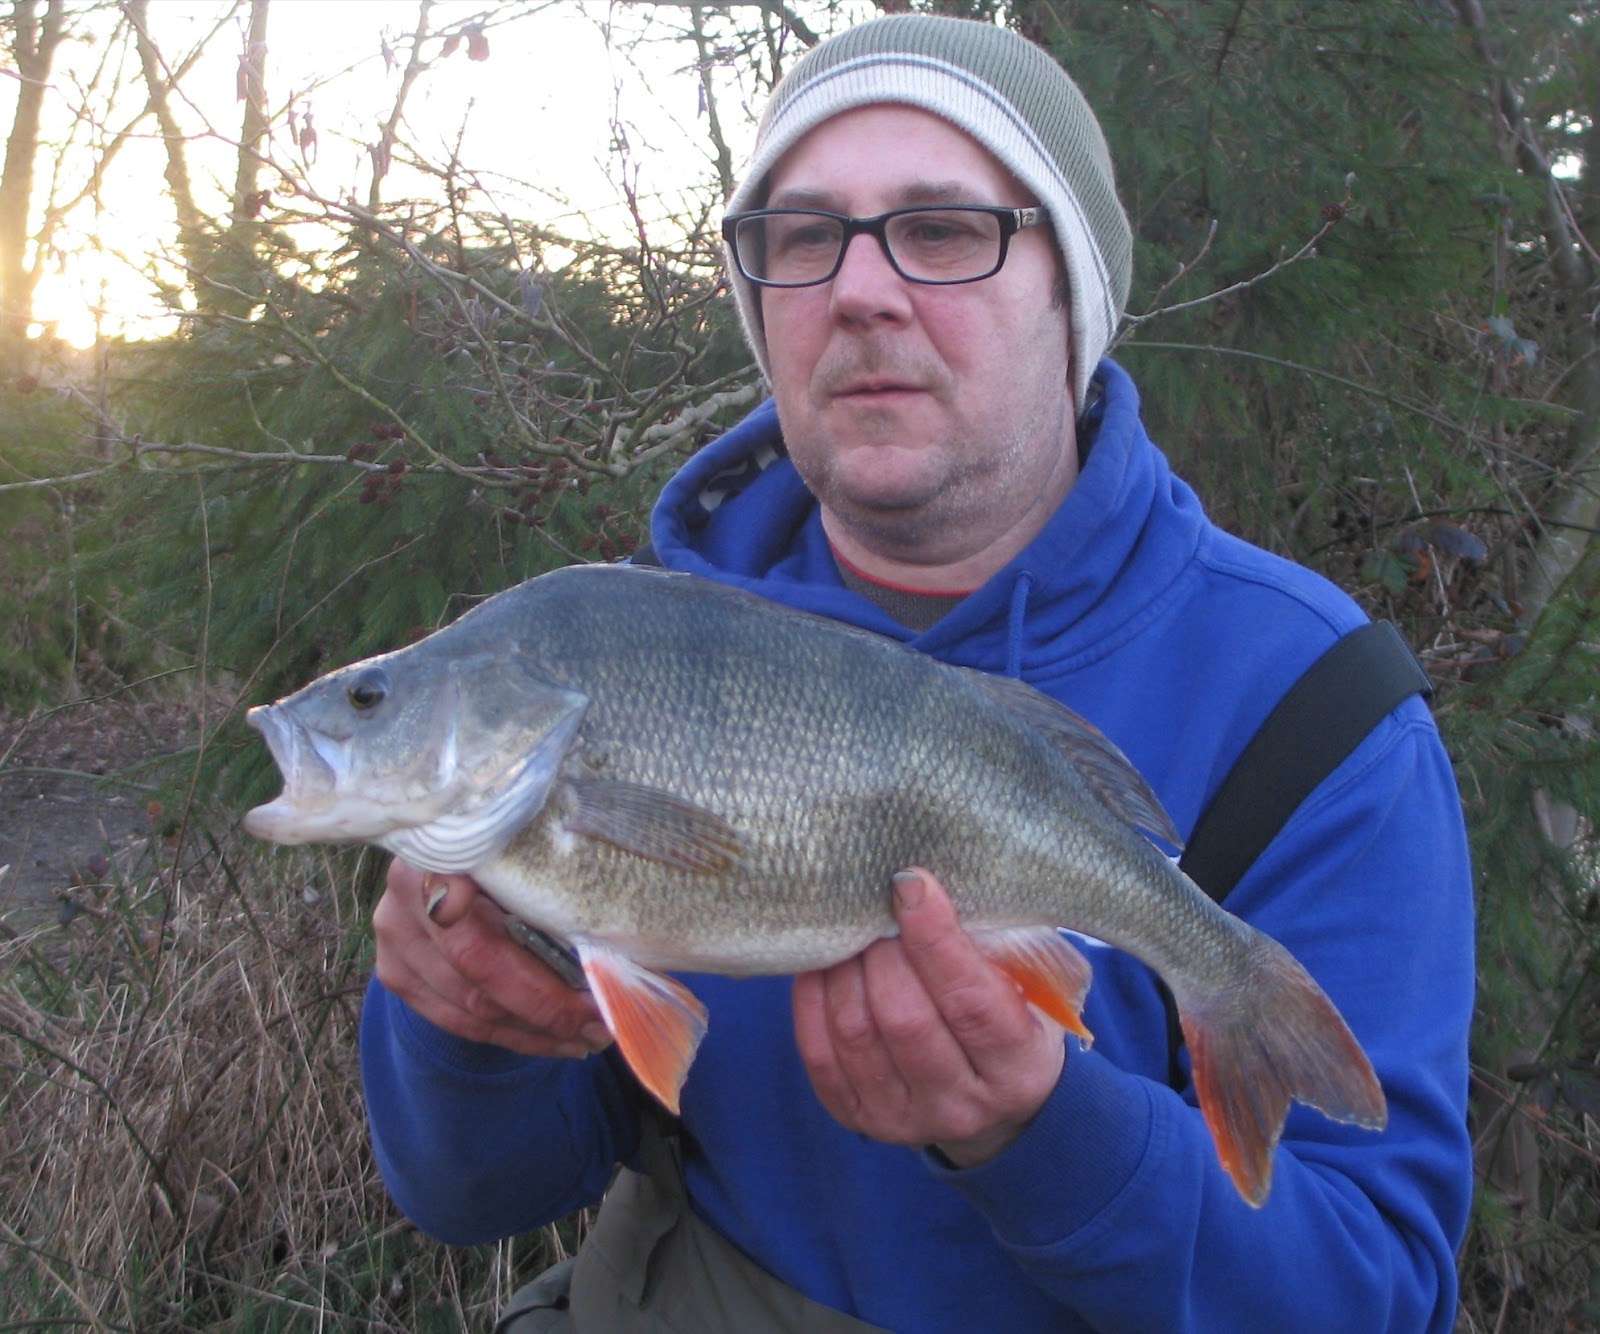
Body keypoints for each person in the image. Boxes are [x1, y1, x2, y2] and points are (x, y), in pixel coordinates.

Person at [360, 14, 1474, 1332]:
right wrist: (459, 1020)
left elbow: (1374, 1290)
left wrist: (1041, 1128)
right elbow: (472, 1189)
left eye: (944, 231)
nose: (862, 289)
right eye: (803, 237)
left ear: (1072, 293)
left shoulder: (1314, 706)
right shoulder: (637, 659)